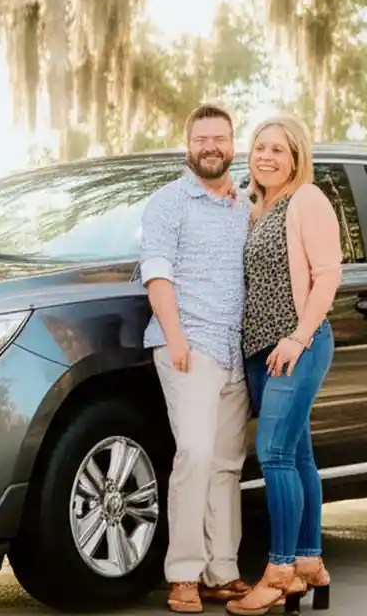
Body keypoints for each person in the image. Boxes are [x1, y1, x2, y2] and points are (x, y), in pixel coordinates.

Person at [139, 103, 254, 613]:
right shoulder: (168, 204)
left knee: (228, 464)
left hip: (235, 351)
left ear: (233, 146)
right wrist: (176, 337)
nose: (211, 147)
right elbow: (157, 274)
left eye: (220, 138)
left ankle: (222, 570)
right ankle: (183, 574)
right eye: (202, 139)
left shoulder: (247, 206)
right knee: (195, 456)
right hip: (188, 348)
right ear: (188, 147)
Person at [226, 115, 341, 616]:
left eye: (278, 149)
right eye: (259, 147)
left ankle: (279, 572)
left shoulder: (307, 201)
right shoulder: (255, 209)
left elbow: (328, 274)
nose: (266, 156)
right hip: (260, 349)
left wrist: (298, 336)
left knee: (272, 453)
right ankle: (311, 564)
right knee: (296, 456)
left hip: (299, 344)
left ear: (296, 157)